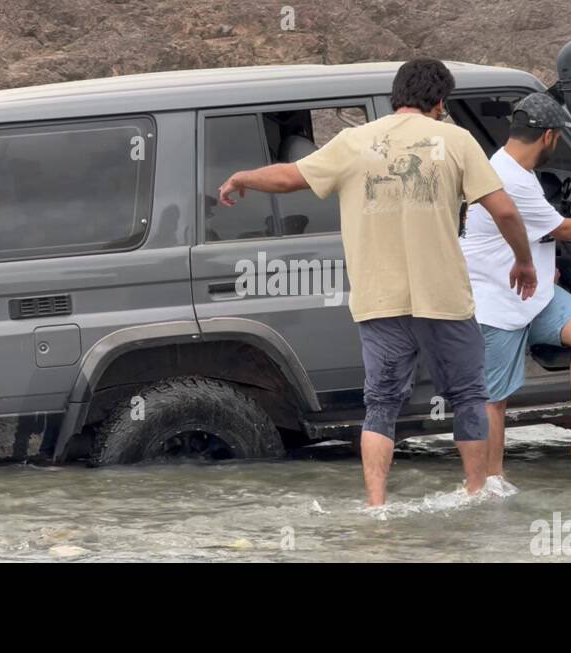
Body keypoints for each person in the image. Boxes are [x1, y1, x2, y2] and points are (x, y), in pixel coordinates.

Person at [218, 58, 538, 506]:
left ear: (396, 95)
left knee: (382, 406)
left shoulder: (353, 142)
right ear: (440, 102)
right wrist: (524, 261)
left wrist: (242, 177)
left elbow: (291, 177)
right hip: (443, 298)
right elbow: (504, 211)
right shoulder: (456, 140)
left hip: (380, 299)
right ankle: (475, 491)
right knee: (468, 396)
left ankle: (376, 505)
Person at [462, 93, 571, 485]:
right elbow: (560, 228)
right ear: (551, 136)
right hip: (497, 300)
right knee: (494, 399)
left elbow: (526, 233)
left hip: (531, 293)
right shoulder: (507, 178)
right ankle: (490, 482)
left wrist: (545, 266)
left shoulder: (513, 170)